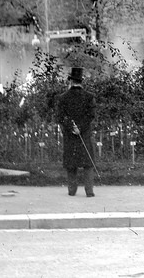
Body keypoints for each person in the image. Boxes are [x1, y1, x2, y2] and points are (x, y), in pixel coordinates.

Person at [55, 66, 97, 197]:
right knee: (87, 163)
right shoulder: (89, 97)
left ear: (71, 81)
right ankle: (89, 191)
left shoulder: (63, 97)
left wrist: (71, 127)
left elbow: (60, 117)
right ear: (81, 81)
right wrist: (81, 128)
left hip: (70, 135)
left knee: (71, 162)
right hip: (84, 134)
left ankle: (72, 191)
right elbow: (91, 115)